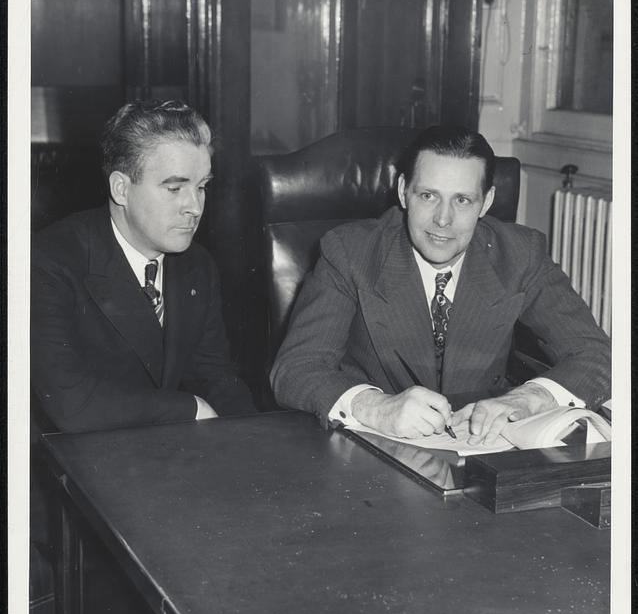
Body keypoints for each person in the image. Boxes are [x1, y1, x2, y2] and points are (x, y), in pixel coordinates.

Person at [270, 125, 611, 446]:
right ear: (404, 192)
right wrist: (375, 407)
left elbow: (599, 356)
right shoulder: (350, 252)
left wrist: (530, 397)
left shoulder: (521, 254)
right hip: (370, 450)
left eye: (462, 200)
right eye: (429, 196)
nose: (443, 219)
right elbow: (295, 370)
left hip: (482, 447)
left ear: (487, 202)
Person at [31, 99, 255, 434]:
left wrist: (258, 443)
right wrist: (191, 408)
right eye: (175, 188)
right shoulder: (48, 261)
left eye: (202, 186)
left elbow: (216, 375)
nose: (194, 207)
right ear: (121, 188)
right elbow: (70, 402)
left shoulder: (197, 264)